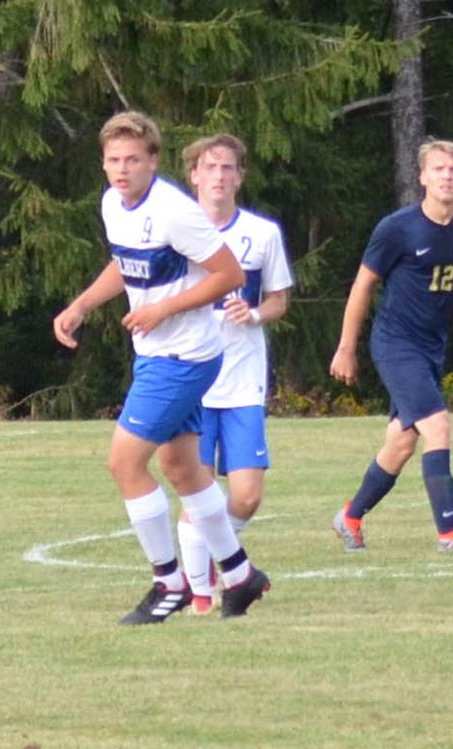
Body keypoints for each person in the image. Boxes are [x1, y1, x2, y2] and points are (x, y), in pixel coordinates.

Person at [52, 111, 270, 624]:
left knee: (124, 464)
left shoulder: (175, 211)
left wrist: (162, 310)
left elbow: (230, 275)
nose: (121, 169)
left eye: (132, 159)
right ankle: (240, 576)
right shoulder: (113, 203)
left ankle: (168, 583)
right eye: (112, 160)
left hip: (184, 356)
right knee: (180, 468)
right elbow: (124, 262)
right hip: (158, 353)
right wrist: (82, 304)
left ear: (153, 160)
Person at [329, 140, 453, 553]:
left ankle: (349, 517)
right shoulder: (397, 228)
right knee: (437, 425)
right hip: (395, 342)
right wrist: (346, 346)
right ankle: (449, 534)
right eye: (438, 169)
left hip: (430, 348)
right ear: (422, 177)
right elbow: (363, 284)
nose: (446, 176)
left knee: (402, 443)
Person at [174, 133, 293, 615]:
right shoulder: (178, 231)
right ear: (194, 176)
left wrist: (256, 314)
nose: (219, 176)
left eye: (228, 168)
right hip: (193, 378)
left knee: (245, 497)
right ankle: (201, 595)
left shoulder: (262, 234)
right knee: (196, 489)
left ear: (240, 177)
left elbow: (280, 301)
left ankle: (215, 560)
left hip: (244, 380)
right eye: (210, 167)